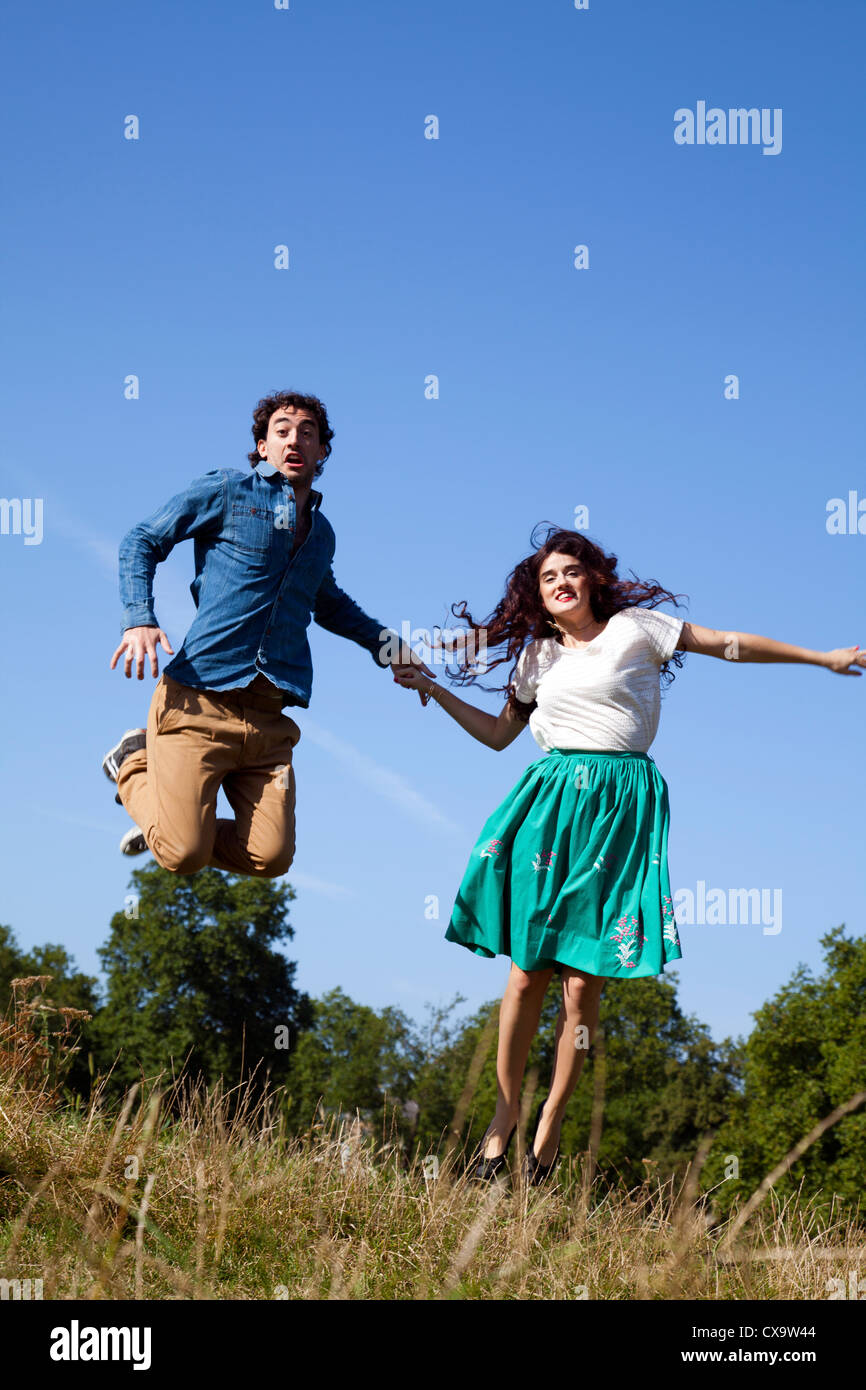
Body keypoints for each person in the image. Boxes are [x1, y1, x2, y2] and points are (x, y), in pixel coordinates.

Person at [393, 526, 864, 1185]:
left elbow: (729, 645)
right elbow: (500, 735)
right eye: (547, 576)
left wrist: (820, 657)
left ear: (592, 580)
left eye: (571, 571)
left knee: (585, 985)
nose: (561, 581)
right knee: (526, 974)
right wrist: (435, 690)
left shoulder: (637, 628)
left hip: (621, 811)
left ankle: (550, 1132)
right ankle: (501, 1126)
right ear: (538, 593)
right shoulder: (536, 657)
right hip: (549, 806)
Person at [103, 390, 429, 875]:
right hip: (199, 698)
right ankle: (134, 762)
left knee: (271, 856)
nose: (294, 439)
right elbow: (142, 539)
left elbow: (331, 605)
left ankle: (170, 822)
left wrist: (391, 647)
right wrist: (139, 618)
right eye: (281, 431)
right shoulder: (228, 491)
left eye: (307, 433)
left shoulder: (322, 534)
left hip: (268, 716)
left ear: (323, 452)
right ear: (261, 446)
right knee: (185, 855)